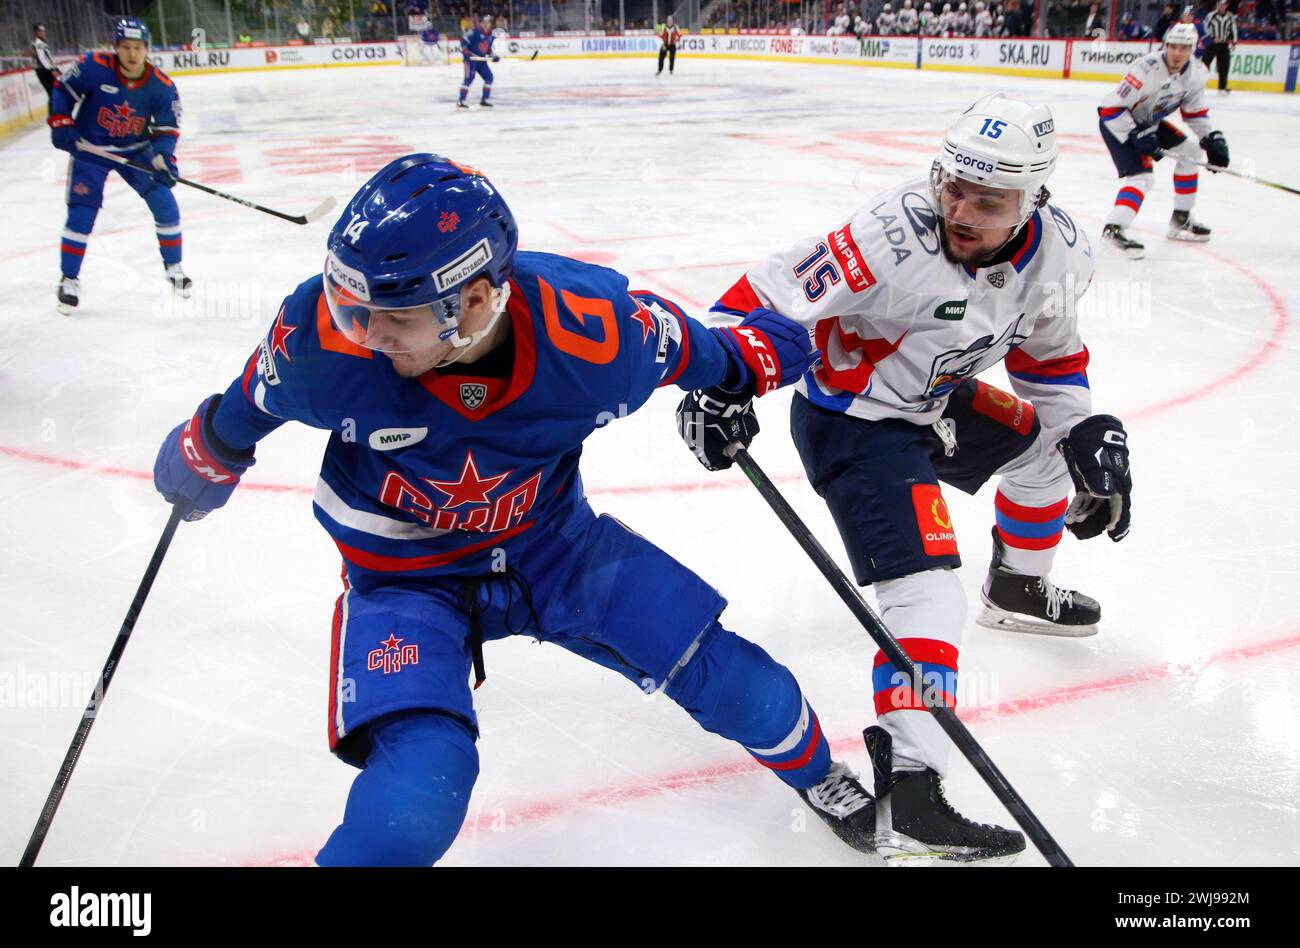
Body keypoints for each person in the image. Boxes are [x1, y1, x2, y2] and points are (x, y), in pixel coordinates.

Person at [152, 153, 886, 866]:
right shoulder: (323, 342)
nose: (363, 335)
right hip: (404, 575)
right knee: (416, 803)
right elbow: (246, 407)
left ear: (472, 300)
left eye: (389, 317)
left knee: (734, 678)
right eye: (351, 306)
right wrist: (204, 452)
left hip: (554, 549)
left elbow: (711, 353)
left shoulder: (596, 336)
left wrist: (776, 353)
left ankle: (818, 773)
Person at [681, 93, 1135, 862]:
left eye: (986, 201)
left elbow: (1048, 361)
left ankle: (1019, 588)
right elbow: (760, 299)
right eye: (950, 185)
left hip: (935, 398)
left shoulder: (1062, 253)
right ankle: (915, 786)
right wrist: (719, 381)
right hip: (854, 423)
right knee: (926, 594)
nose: (958, 209)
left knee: (1050, 453)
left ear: (1033, 199)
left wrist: (1088, 430)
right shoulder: (890, 236)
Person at [47, 18, 188, 315]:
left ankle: (173, 265)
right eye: (126, 47)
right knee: (82, 214)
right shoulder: (93, 66)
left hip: (135, 151)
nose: (132, 54)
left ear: (147, 49)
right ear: (115, 48)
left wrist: (163, 159)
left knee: (165, 203)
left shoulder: (161, 87)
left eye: (138, 47)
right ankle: (69, 279)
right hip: (91, 150)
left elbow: (166, 129)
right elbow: (62, 89)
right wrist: (60, 120)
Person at [1097, 22, 1229, 256]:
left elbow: (1194, 111)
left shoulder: (1197, 73)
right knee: (1142, 177)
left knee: (1190, 151)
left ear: (1193, 49)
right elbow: (1110, 109)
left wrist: (1211, 137)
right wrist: (1134, 135)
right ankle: (1114, 228)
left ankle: (1181, 219)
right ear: (1166, 45)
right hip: (1118, 123)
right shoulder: (1145, 69)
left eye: (1184, 48)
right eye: (1173, 46)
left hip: (1149, 124)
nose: (1177, 53)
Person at [458, 15, 498, 108]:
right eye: (484, 22)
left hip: (481, 61)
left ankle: (484, 100)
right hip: (470, 61)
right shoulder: (474, 32)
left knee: (489, 77)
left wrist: (493, 56)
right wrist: (466, 51)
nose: (486, 24)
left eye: (488, 22)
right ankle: (461, 100)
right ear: (481, 23)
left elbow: (488, 49)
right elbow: (463, 41)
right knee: (469, 79)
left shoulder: (491, 36)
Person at [1202, 0, 1238, 93]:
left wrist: (1234, 42)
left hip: (1224, 43)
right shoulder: (1211, 15)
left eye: (1224, 4)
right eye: (1221, 4)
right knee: (1204, 64)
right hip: (1213, 44)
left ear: (1226, 5)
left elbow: (1233, 29)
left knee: (1224, 66)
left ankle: (1222, 86)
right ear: (1217, 5)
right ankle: (1198, 84)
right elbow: (1205, 27)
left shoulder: (1230, 16)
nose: (1222, 6)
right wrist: (1212, 37)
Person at [31, 24, 60, 108]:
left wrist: (55, 68)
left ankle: (53, 114)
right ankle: (53, 115)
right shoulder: (39, 44)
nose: (43, 33)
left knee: (53, 92)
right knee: (52, 92)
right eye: (41, 31)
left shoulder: (42, 43)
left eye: (43, 31)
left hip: (45, 69)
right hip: (43, 70)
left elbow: (48, 57)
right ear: (36, 32)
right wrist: (52, 69)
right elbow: (42, 59)